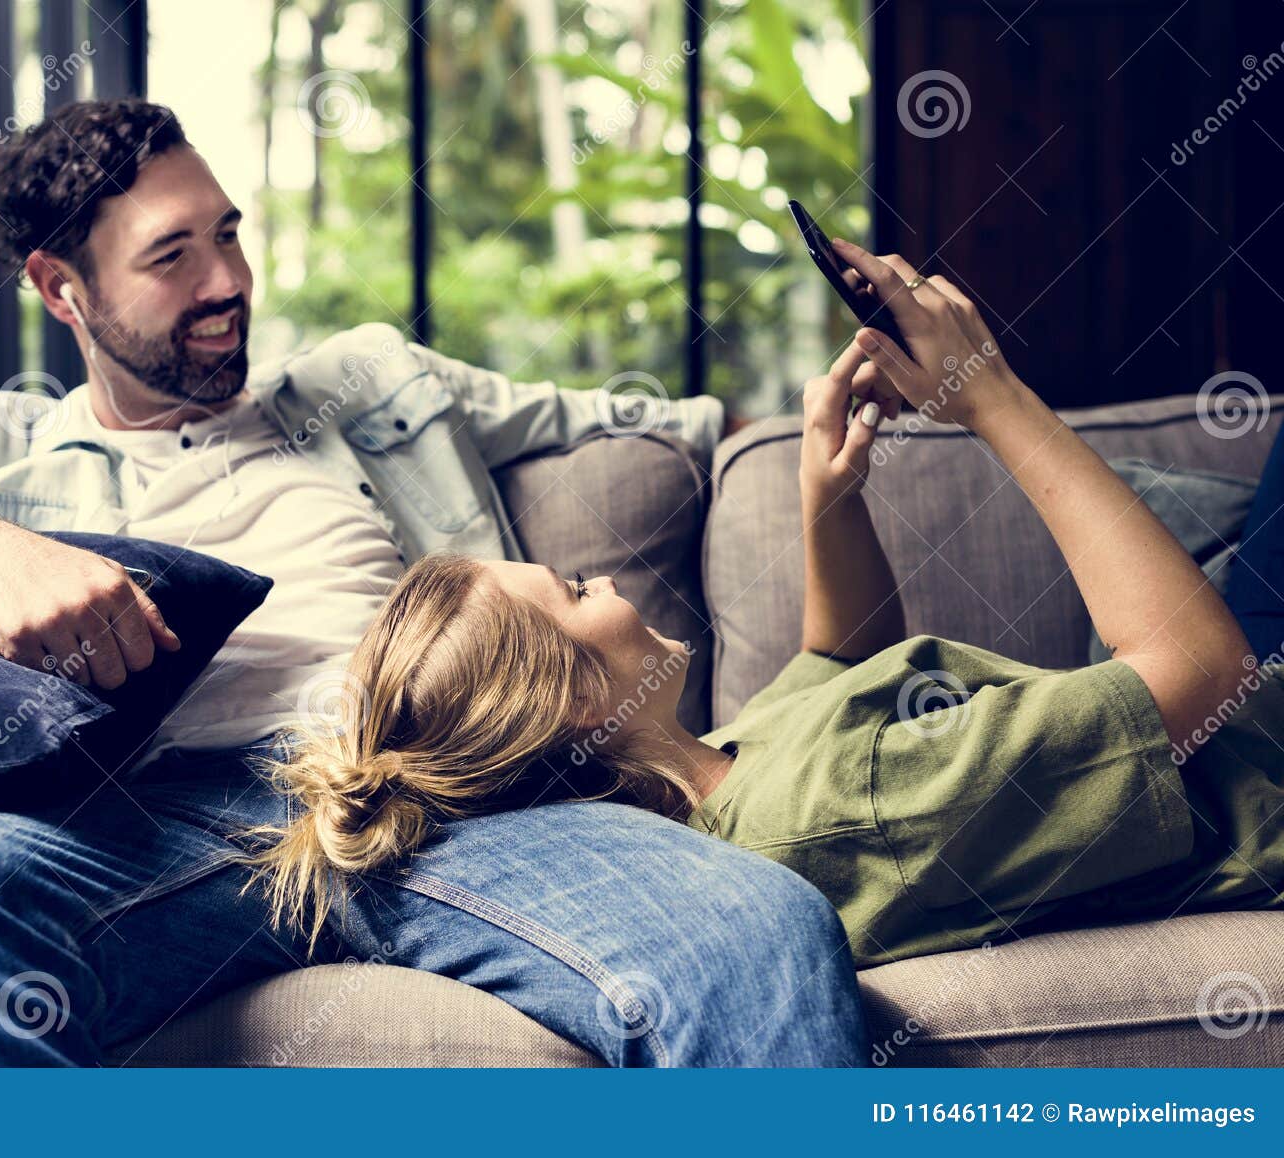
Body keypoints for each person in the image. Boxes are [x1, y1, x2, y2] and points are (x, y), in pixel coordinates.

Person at [0, 99, 868, 1066]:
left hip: (445, 794)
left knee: (752, 928)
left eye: (229, 233)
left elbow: (666, 424)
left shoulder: (364, 385)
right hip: (151, 824)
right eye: (172, 256)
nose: (227, 279)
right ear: (62, 290)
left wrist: (860, 406)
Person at [258, 239, 1284, 969]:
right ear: (573, 702)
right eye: (575, 594)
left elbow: (844, 671)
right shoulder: (830, 818)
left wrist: (825, 498)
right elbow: (1199, 673)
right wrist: (992, 394)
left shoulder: (710, 792)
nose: (604, 581)